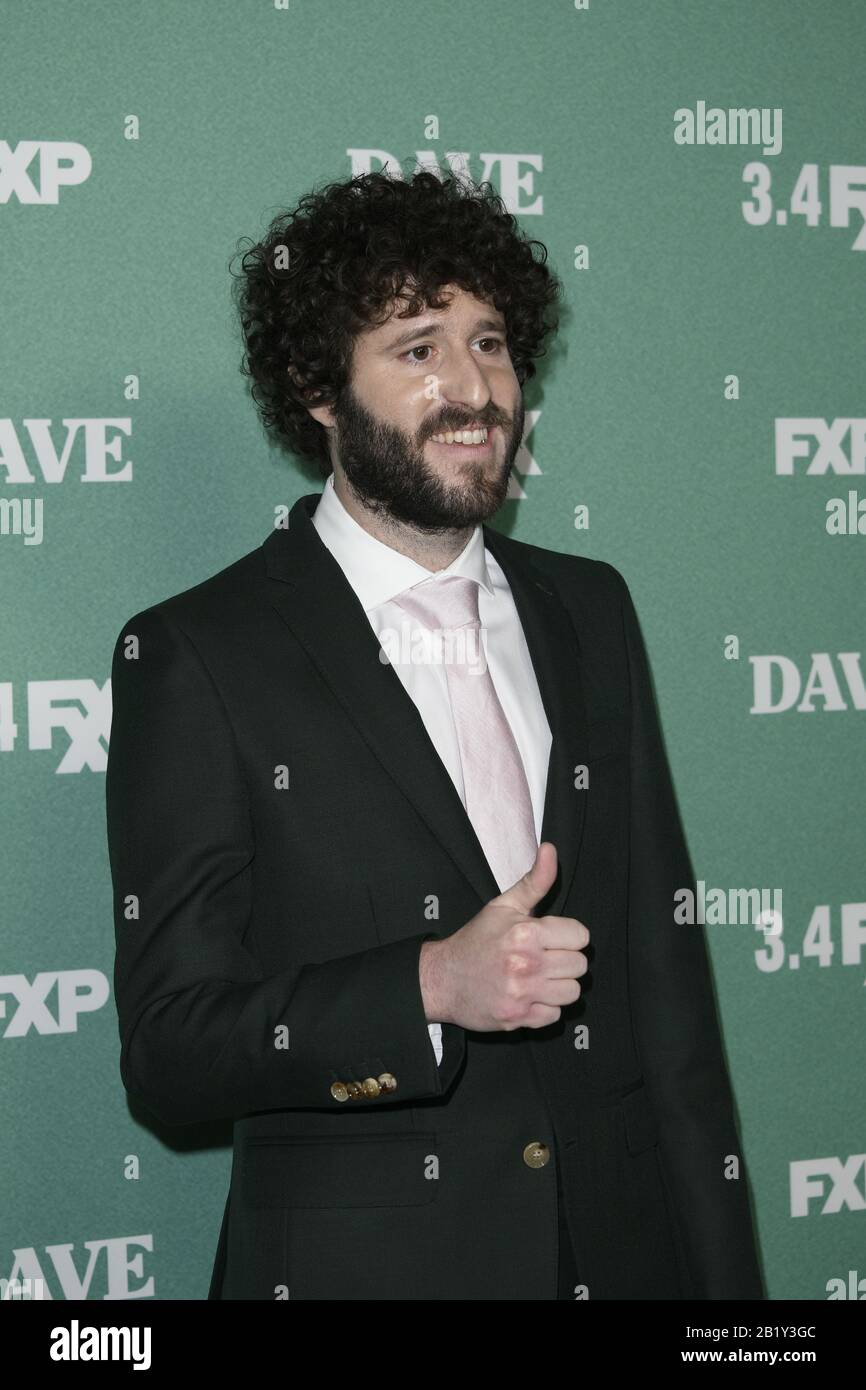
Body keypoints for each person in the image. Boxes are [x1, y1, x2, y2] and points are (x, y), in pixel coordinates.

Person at [105, 169, 764, 1300]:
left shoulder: (588, 608)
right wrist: (422, 984)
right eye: (417, 349)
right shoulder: (198, 655)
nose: (473, 388)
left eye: (491, 342)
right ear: (318, 388)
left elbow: (671, 1013)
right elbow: (170, 1053)